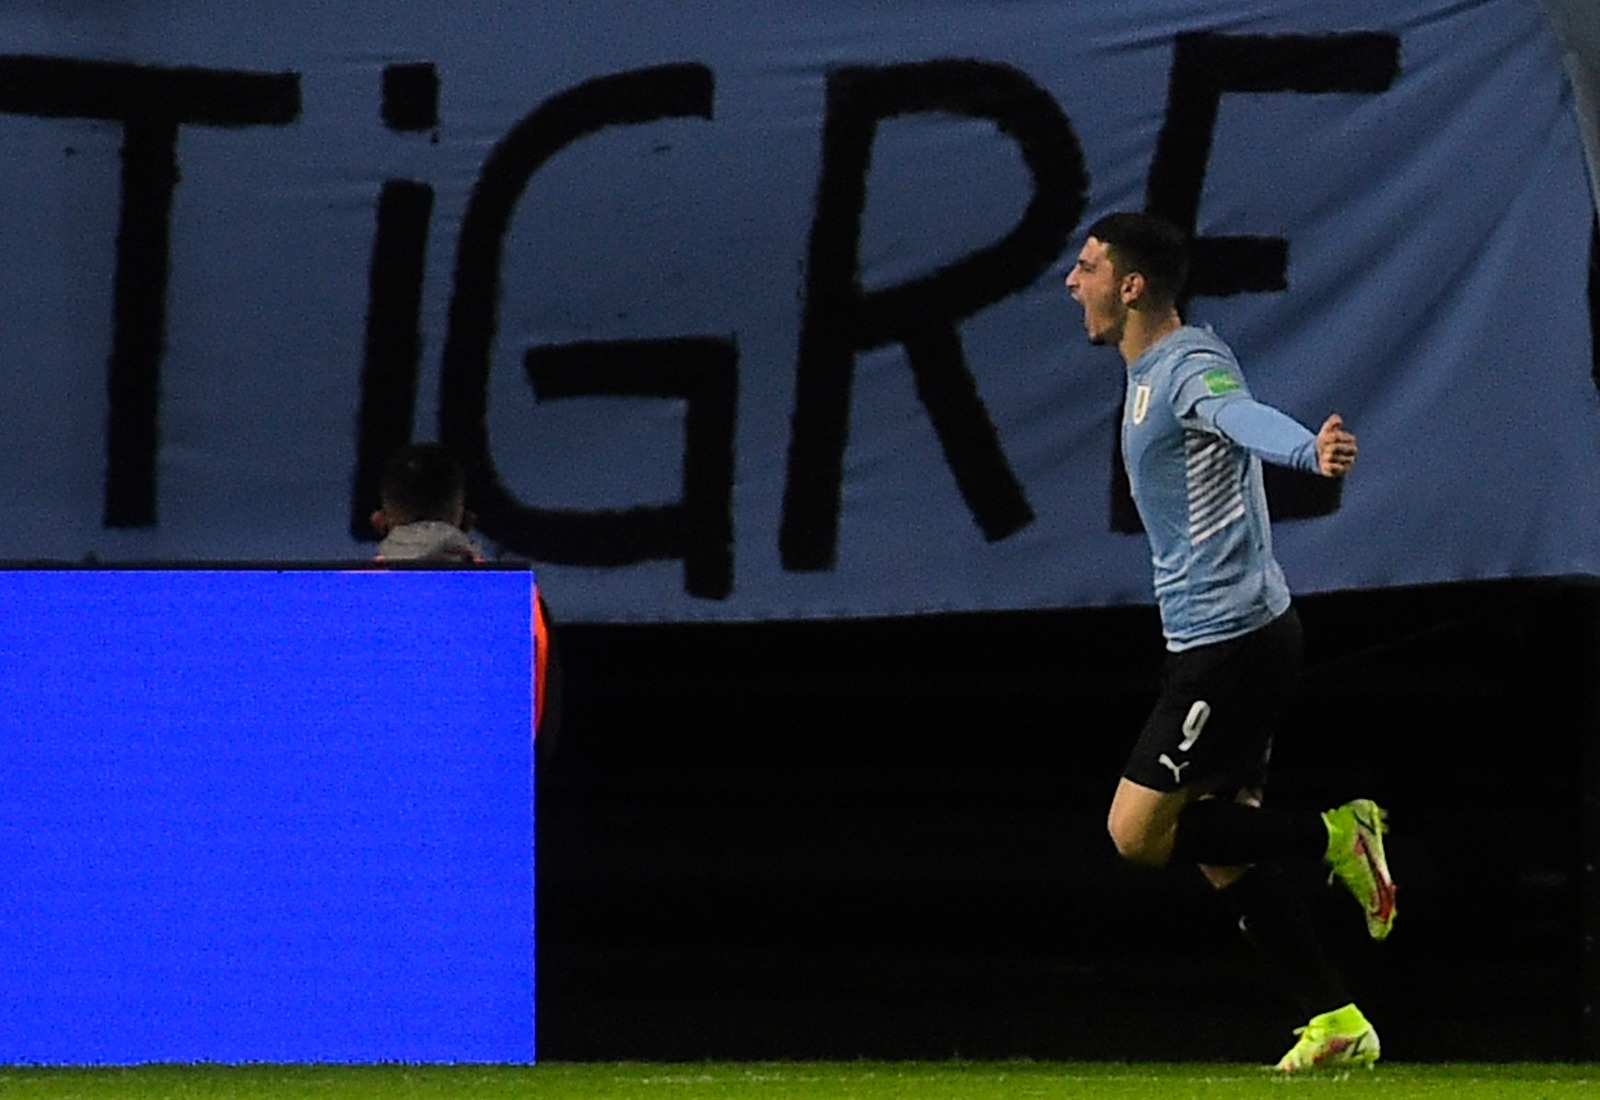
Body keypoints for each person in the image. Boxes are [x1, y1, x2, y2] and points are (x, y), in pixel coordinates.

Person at [1064, 211, 1395, 1071]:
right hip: (1224, 636)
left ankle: (1338, 836)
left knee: (1136, 834)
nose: (1074, 280)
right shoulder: (1154, 369)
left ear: (1131, 286)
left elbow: (1238, 417)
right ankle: (1337, 1022)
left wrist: (1307, 452)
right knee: (1223, 847)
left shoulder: (1186, 367)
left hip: (1233, 644)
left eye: (1089, 265)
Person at [372, 442, 559, 748]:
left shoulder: (338, 602)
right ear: (467, 521)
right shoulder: (521, 603)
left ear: (379, 522)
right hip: (491, 791)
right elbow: (540, 728)